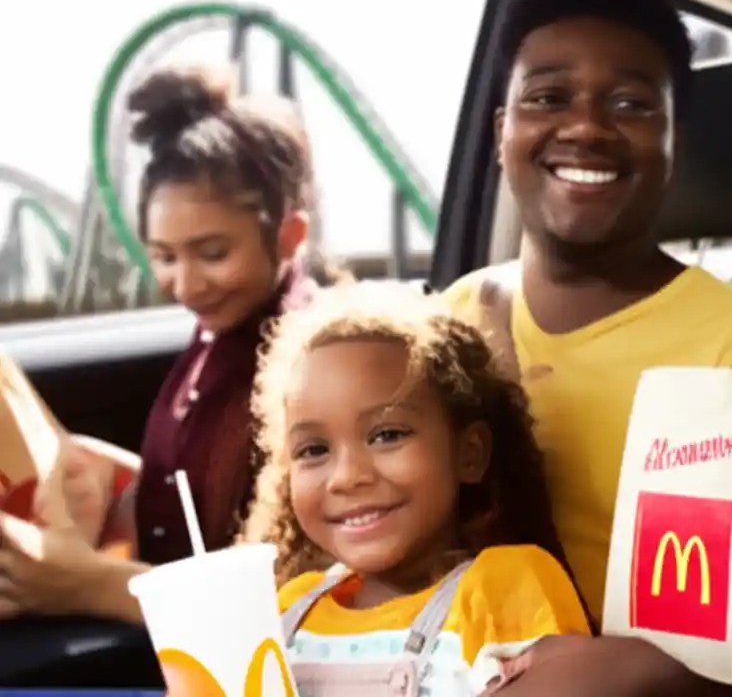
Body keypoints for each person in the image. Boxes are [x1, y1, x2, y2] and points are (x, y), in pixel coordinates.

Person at [441, 0, 732, 693]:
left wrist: (659, 682)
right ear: (500, 134)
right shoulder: (451, 325)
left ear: (676, 141)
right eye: (549, 97)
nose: (585, 126)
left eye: (631, 104)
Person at [0, 63, 323, 622]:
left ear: (289, 236)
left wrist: (89, 583)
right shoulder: (217, 337)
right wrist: (125, 480)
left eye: (213, 253)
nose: (186, 284)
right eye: (165, 257)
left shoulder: (312, 369)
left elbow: (289, 599)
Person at [237, 281, 589, 695]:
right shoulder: (288, 611)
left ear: (469, 454)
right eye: (314, 449)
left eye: (387, 435)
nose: (347, 476)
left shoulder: (500, 589)